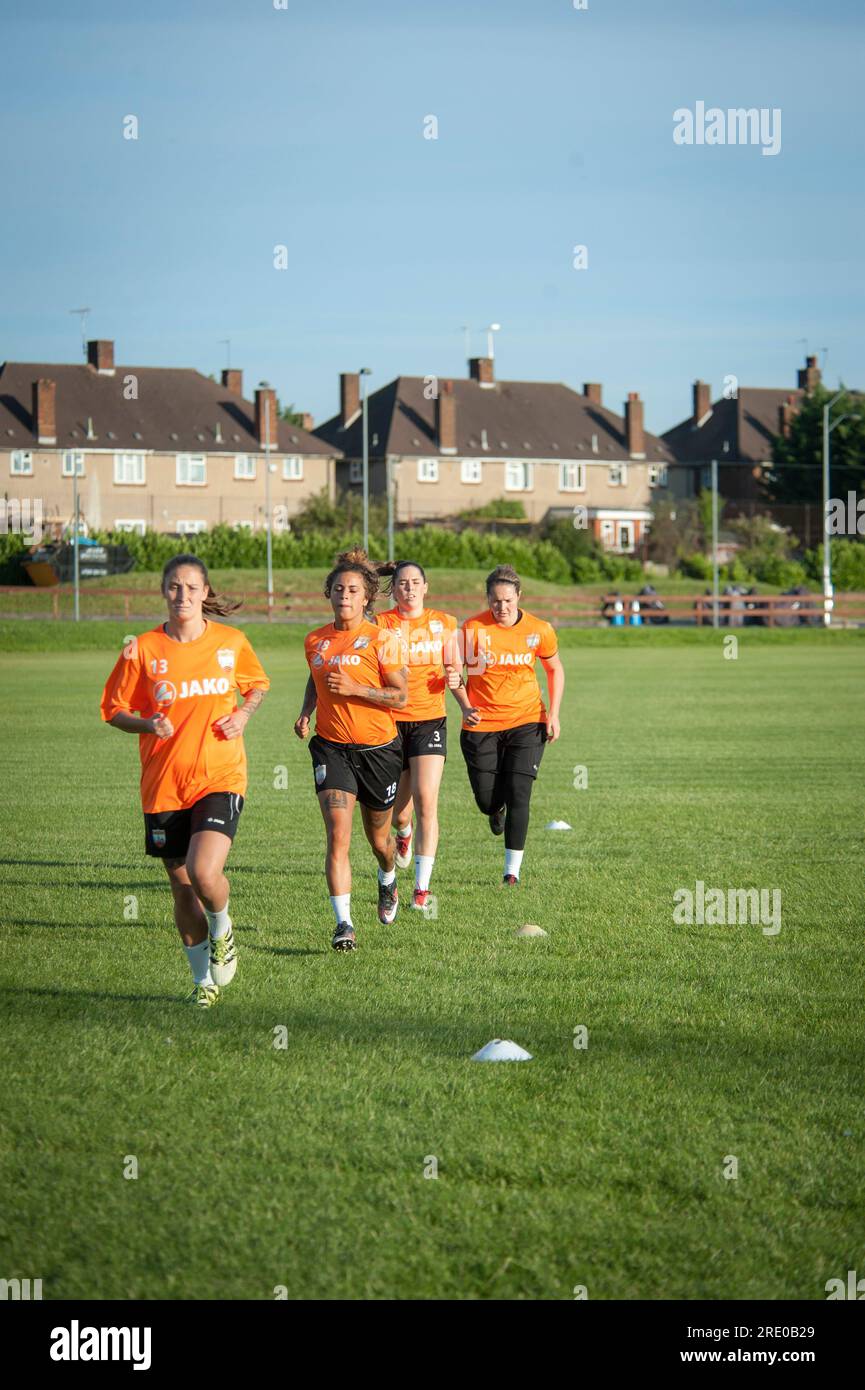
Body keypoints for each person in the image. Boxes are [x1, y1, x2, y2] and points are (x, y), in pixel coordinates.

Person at [100, 555, 270, 1007]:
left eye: (192, 588)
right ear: (163, 591)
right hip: (163, 785)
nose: (183, 596)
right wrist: (146, 724)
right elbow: (113, 710)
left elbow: (256, 686)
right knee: (181, 886)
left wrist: (242, 715)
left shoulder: (231, 642)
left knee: (203, 871)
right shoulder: (142, 649)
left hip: (220, 774)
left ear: (205, 592)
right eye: (175, 587)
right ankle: (202, 983)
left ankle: (223, 926)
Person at [294, 548, 408, 951]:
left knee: (379, 842)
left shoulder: (382, 640)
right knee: (337, 835)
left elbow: (400, 695)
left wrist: (357, 689)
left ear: (366, 598)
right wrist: (307, 711)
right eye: (339, 588)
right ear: (330, 593)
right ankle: (343, 924)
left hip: (378, 750)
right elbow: (317, 676)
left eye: (353, 589)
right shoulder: (315, 640)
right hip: (332, 750)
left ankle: (388, 879)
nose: (345, 594)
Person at [449, 564, 564, 885]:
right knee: (488, 802)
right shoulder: (471, 629)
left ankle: (511, 871)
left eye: (508, 601)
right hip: (481, 725)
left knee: (519, 793)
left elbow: (555, 669)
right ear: (488, 598)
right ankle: (494, 811)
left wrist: (553, 714)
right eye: (496, 601)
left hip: (527, 721)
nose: (502, 607)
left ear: (519, 598)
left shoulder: (539, 630)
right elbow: (453, 673)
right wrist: (465, 703)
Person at [374, 560, 479, 909]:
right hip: (391, 722)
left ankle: (421, 889)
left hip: (429, 720)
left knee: (425, 800)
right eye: (402, 583)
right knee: (399, 815)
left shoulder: (444, 623)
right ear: (395, 589)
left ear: (425, 587)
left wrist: (463, 703)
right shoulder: (382, 624)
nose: (409, 588)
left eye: (415, 582)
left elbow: (454, 671)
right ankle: (403, 836)